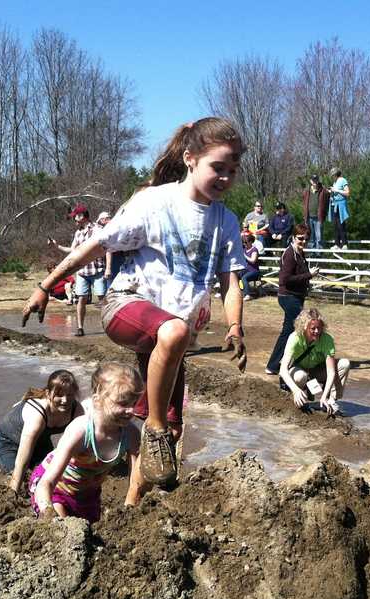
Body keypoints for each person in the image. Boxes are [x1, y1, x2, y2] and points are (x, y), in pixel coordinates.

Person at [23, 117, 248, 490]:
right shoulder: (155, 202)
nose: (225, 177)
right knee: (174, 337)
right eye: (217, 167)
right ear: (190, 159)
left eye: (232, 171)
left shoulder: (226, 221)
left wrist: (235, 326)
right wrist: (46, 286)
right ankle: (154, 428)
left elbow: (231, 281)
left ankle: (133, 502)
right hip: (126, 305)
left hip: (170, 338)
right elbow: (96, 246)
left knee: (173, 429)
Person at [30, 363, 147, 521]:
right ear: (97, 400)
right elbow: (47, 482)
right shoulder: (81, 430)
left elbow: (135, 483)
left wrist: (128, 514)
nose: (131, 410)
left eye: (134, 403)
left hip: (87, 494)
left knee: (90, 529)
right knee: (62, 526)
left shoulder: (131, 435)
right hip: (55, 488)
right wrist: (47, 511)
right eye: (123, 403)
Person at [0, 369, 83, 494]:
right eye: (59, 395)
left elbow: (80, 444)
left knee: (54, 477)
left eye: (69, 395)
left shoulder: (76, 410)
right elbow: (22, 462)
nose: (65, 400)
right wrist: (13, 493)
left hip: (41, 442)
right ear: (48, 393)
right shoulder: (37, 414)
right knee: (23, 481)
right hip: (8, 442)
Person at [48, 206, 113, 337]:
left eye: (75, 217)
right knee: (80, 299)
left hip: (97, 270)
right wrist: (56, 246)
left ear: (82, 216)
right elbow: (72, 251)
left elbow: (108, 249)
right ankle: (80, 328)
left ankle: (110, 327)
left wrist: (108, 268)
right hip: (82, 272)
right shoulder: (78, 233)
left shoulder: (97, 229)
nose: (74, 220)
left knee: (102, 299)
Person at [265, 223, 319, 375]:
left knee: (288, 331)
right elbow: (286, 280)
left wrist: (307, 279)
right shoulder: (289, 255)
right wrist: (309, 275)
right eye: (300, 238)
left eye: (306, 239)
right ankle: (304, 362)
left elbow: (298, 276)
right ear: (293, 237)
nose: (303, 241)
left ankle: (273, 365)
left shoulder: (299, 253)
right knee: (306, 326)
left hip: (296, 296)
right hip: (288, 297)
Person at [279, 308, 349, 417]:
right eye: (313, 328)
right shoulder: (294, 338)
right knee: (300, 376)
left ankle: (331, 401)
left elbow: (331, 372)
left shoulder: (327, 339)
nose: (317, 331)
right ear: (304, 327)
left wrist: (324, 396)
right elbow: (283, 370)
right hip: (298, 370)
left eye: (319, 328)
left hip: (316, 371)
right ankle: (299, 398)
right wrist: (296, 390)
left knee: (344, 364)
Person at [302, 175, 328, 251]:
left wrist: (324, 214)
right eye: (313, 180)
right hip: (309, 217)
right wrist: (305, 215)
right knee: (311, 237)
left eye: (316, 180)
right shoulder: (306, 191)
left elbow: (327, 202)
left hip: (318, 217)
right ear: (311, 181)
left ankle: (319, 253)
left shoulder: (323, 190)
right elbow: (304, 202)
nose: (315, 182)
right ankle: (312, 252)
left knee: (319, 236)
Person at [327, 168, 350, 250]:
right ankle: (337, 244)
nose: (332, 177)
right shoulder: (335, 182)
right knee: (335, 225)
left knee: (341, 225)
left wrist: (336, 190)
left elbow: (347, 193)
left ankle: (344, 244)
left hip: (340, 205)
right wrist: (331, 191)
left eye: (332, 175)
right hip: (334, 205)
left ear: (336, 174)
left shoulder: (343, 180)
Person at [239, 233, 261, 300]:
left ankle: (248, 295)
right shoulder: (244, 249)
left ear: (251, 242)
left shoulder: (254, 250)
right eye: (243, 242)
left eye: (246, 242)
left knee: (244, 278)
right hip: (246, 270)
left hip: (254, 271)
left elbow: (253, 261)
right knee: (234, 276)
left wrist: (245, 256)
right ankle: (237, 292)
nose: (244, 244)